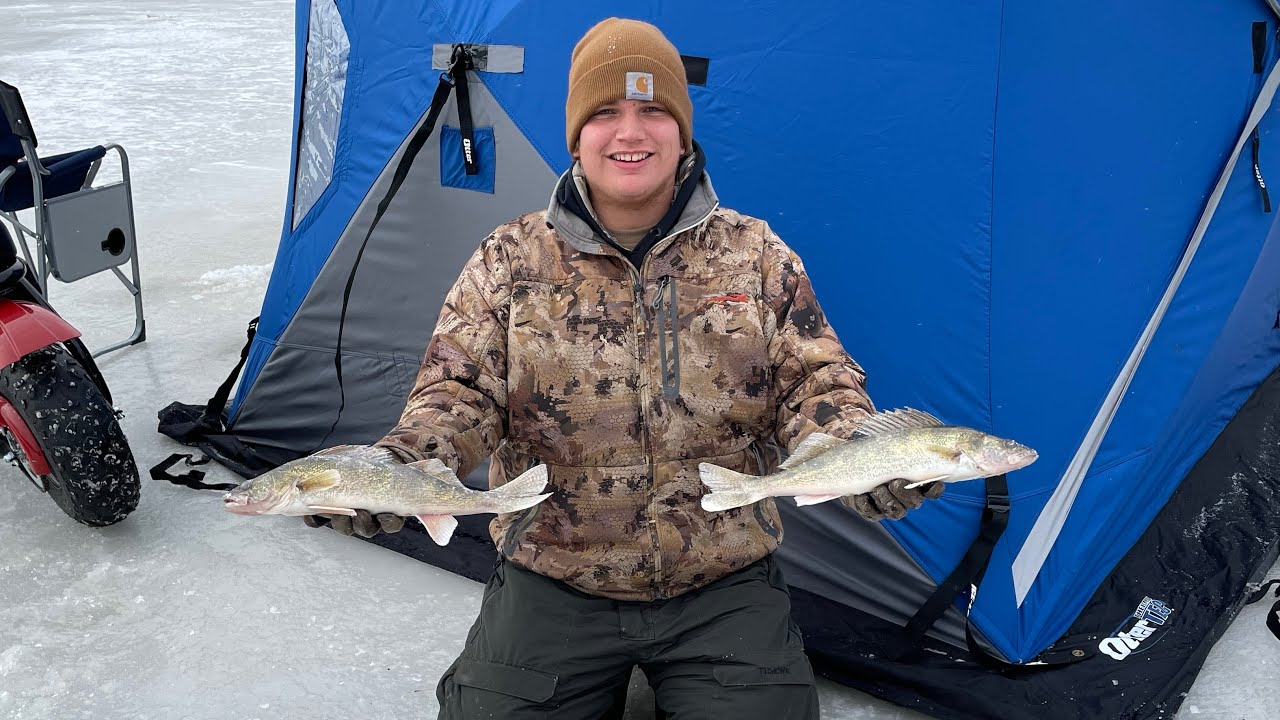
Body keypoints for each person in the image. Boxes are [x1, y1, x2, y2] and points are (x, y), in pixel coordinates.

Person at [305, 17, 943, 718]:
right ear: (577, 133)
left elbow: (817, 386)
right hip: (555, 576)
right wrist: (398, 469)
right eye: (605, 113)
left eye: (653, 111)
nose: (630, 133)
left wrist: (855, 457)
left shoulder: (756, 255)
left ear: (683, 130)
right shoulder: (509, 260)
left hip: (723, 579)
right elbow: (455, 396)